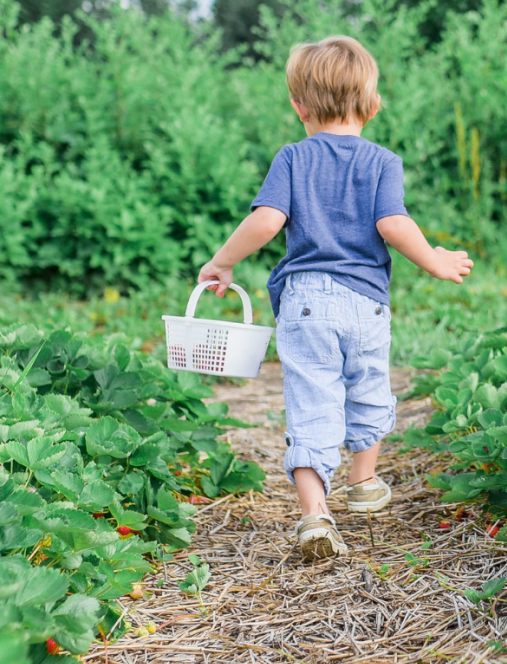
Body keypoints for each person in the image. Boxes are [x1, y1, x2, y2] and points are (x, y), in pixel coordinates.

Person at [198, 35, 473, 561]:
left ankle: (315, 514)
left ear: (299, 107)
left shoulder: (293, 158)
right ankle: (364, 481)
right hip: (366, 302)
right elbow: (393, 223)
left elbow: (267, 220)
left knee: (311, 403)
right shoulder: (382, 161)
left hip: (305, 302)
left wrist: (224, 259)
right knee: (369, 387)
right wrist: (435, 260)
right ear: (371, 106)